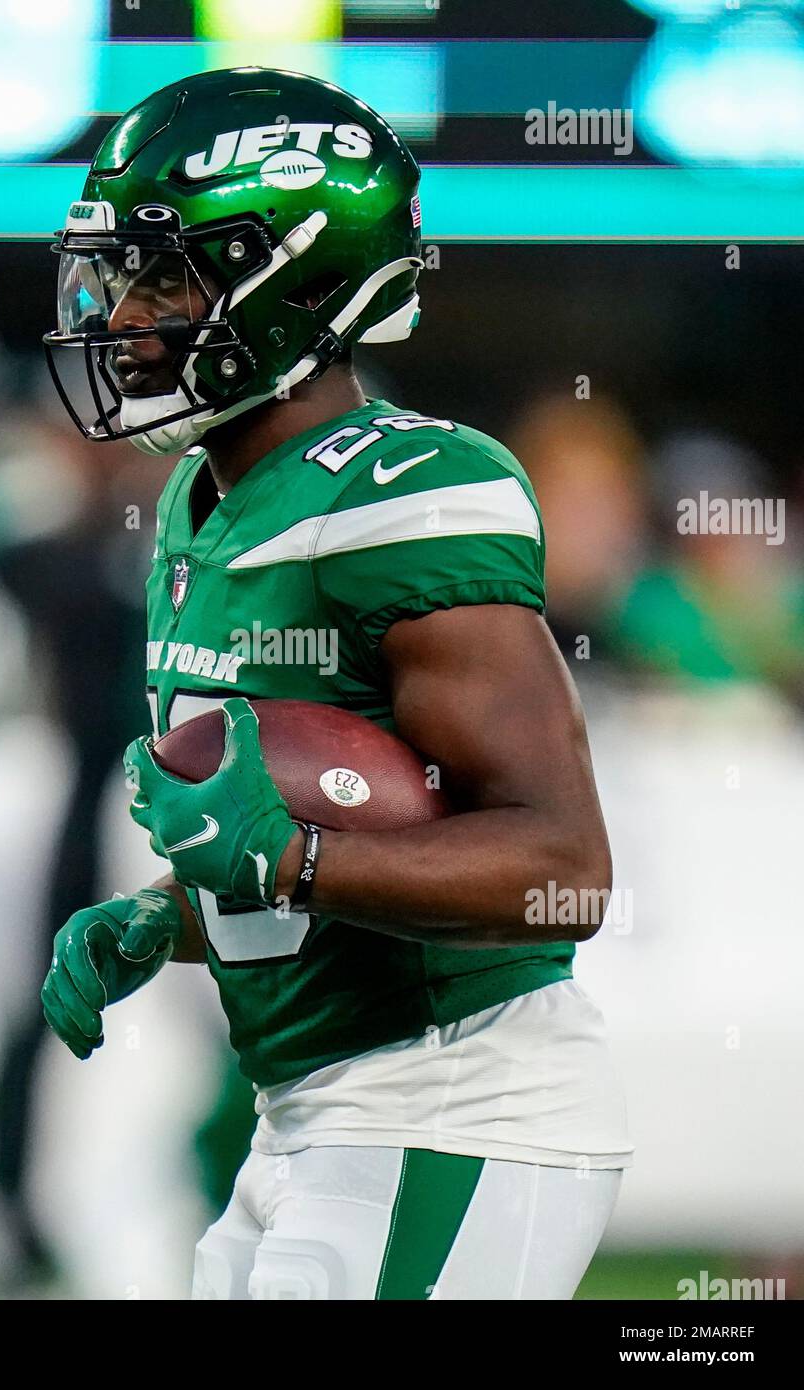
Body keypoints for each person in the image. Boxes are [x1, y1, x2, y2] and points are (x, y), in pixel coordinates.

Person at [40, 66, 632, 1300]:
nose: (124, 308)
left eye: (171, 273)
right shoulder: (198, 508)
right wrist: (175, 915)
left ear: (295, 282)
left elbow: (564, 875)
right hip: (308, 1109)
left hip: (453, 1102)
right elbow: (345, 810)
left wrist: (293, 863)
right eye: (123, 268)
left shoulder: (401, 492)